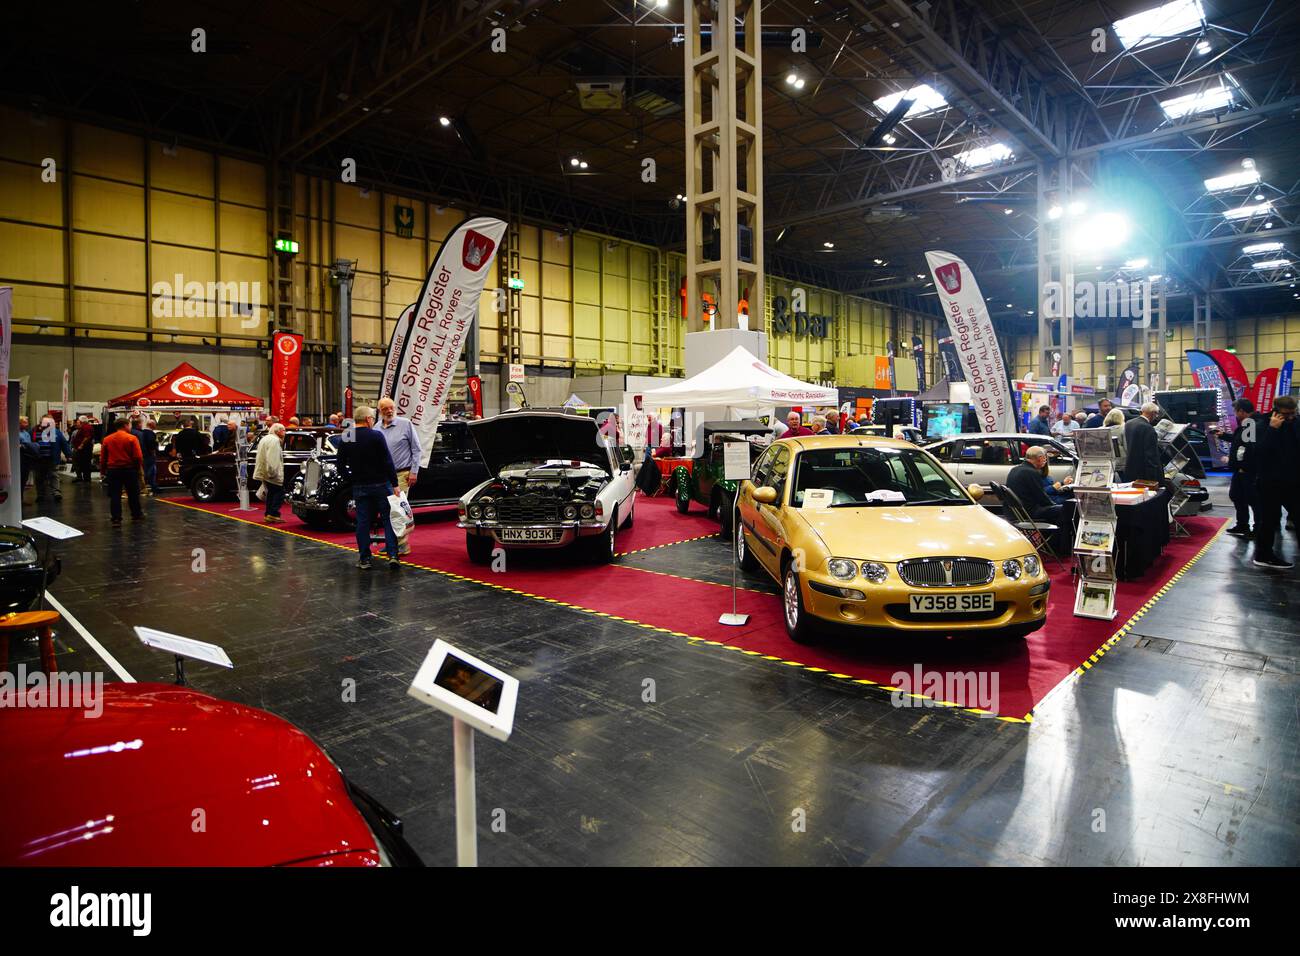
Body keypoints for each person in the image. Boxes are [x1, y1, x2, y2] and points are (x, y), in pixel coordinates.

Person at [337, 406, 400, 570]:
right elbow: (387, 461)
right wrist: (395, 484)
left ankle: (364, 558)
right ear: (367, 419)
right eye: (372, 418)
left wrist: (351, 480)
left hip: (360, 486)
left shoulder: (347, 435)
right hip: (381, 484)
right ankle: (393, 555)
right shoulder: (376, 435)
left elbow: (340, 465)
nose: (373, 421)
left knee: (363, 522)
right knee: (388, 520)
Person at [1250, 395, 1299, 570]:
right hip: (1269, 482)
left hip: (1293, 481)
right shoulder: (1262, 425)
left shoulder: (1295, 423)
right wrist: (1273, 430)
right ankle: (1263, 555)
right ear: (1276, 412)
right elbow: (1257, 453)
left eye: (1293, 413)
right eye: (1287, 414)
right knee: (1268, 520)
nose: (1291, 417)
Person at [376, 397, 422, 556]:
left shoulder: (406, 424)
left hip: (403, 474)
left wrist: (414, 471)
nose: (389, 411)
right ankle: (391, 543)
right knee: (387, 510)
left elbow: (417, 449)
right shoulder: (376, 429)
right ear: (379, 411)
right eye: (385, 409)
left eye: (391, 407)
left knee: (398, 509)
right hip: (383, 476)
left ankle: (402, 545)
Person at [1007, 446, 1074, 553]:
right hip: (1029, 512)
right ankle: (1060, 548)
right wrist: (1057, 503)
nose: (1045, 461)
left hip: (1016, 512)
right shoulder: (1031, 472)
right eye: (1044, 459)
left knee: (1062, 508)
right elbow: (1044, 500)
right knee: (1068, 508)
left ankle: (1052, 545)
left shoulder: (1015, 469)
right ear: (1039, 458)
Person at [1225, 398, 1264, 537]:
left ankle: (1258, 528)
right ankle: (1242, 524)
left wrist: (1242, 465)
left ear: (1241, 411)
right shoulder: (1248, 425)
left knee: (1253, 499)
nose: (1235, 414)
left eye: (1236, 411)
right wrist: (1223, 435)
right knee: (1237, 496)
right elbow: (1240, 442)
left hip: (1247, 471)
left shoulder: (1252, 425)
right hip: (1241, 470)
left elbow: (1249, 448)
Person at [100, 418, 144, 525]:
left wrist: (103, 470)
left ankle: (116, 518)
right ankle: (136, 515)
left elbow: (103, 458)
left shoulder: (107, 439)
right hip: (129, 470)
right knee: (133, 493)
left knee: (115, 495)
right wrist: (138, 468)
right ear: (125, 425)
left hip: (113, 470)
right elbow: (138, 456)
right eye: (129, 425)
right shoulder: (132, 438)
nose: (130, 427)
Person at [253, 423, 287, 524]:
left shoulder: (266, 438)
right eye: (283, 430)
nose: (285, 433)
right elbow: (272, 458)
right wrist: (273, 473)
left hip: (265, 472)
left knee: (271, 493)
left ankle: (268, 514)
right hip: (272, 473)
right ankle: (273, 514)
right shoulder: (275, 440)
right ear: (278, 431)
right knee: (279, 493)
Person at [34, 416, 72, 503]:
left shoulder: (56, 432)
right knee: (39, 477)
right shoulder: (34, 431)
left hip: (52, 458)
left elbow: (63, 443)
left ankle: (56, 493)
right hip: (39, 459)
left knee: (54, 475)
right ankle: (40, 495)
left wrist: (68, 454)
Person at [1122, 402, 1162, 482]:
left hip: (1130, 468)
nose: (1156, 417)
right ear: (1153, 413)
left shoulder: (1129, 423)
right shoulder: (1148, 428)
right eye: (1156, 414)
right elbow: (1151, 455)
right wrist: (1154, 476)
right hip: (1144, 473)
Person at [135, 417, 160, 495]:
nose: (155, 426)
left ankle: (151, 487)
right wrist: (153, 452)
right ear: (151, 425)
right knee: (151, 472)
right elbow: (151, 444)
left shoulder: (142, 432)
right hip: (149, 456)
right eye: (155, 424)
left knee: (147, 472)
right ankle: (151, 487)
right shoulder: (150, 433)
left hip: (144, 455)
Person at [17, 416, 39, 497]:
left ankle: (21, 498)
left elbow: (29, 445)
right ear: (19, 423)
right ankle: (18, 499)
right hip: (19, 459)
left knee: (24, 479)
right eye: (25, 422)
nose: (27, 424)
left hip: (27, 459)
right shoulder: (16, 433)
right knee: (19, 479)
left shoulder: (26, 433)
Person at [71, 415, 96, 482]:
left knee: (85, 464)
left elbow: (87, 437)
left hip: (84, 450)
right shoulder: (84, 427)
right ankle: (83, 478)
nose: (77, 422)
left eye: (78, 421)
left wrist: (81, 445)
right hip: (83, 449)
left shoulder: (86, 427)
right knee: (82, 463)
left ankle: (86, 479)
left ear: (82, 421)